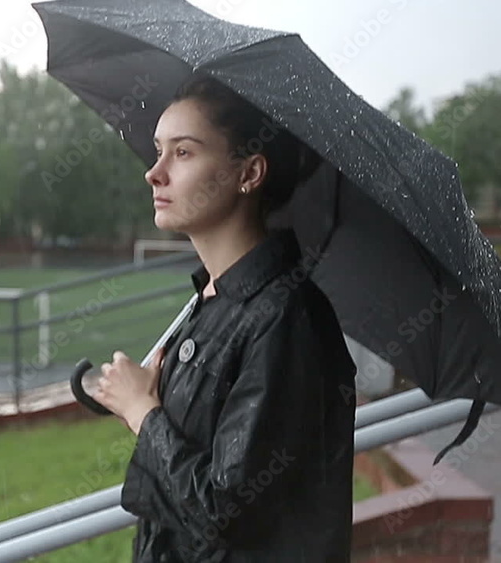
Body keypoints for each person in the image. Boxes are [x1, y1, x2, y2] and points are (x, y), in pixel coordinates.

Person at [91, 73, 358, 562]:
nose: (154, 173)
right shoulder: (212, 300)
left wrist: (143, 413)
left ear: (249, 173)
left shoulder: (285, 316)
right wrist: (146, 397)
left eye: (183, 152)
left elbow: (227, 512)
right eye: (158, 151)